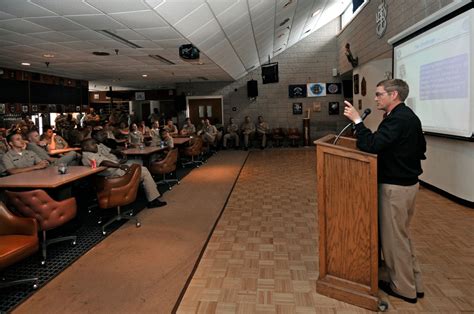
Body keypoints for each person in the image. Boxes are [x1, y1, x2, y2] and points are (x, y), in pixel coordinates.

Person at [343, 79, 426, 304]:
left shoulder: (398, 119)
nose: (376, 97)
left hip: (395, 188)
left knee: (394, 240)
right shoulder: (408, 117)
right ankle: (414, 284)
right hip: (407, 184)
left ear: (394, 95)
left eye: (379, 94)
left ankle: (404, 290)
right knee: (402, 236)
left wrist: (358, 121)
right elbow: (422, 148)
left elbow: (371, 145)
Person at [81, 139, 166, 208]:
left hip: (116, 169)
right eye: (92, 144)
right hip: (113, 174)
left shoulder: (92, 152)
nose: (95, 145)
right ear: (85, 147)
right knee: (143, 171)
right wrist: (119, 166)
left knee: (141, 167)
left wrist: (120, 159)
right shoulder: (87, 155)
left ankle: (153, 193)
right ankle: (153, 198)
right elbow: (104, 162)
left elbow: (110, 154)